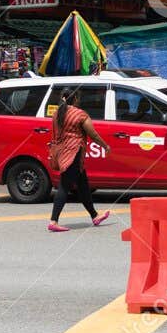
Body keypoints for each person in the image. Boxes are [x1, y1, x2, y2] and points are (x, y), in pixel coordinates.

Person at [46, 88, 112, 232]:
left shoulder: (57, 113)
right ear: (75, 99)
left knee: (83, 185)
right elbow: (93, 134)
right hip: (74, 153)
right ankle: (53, 220)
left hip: (61, 152)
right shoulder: (79, 114)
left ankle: (94, 215)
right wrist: (105, 146)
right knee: (64, 185)